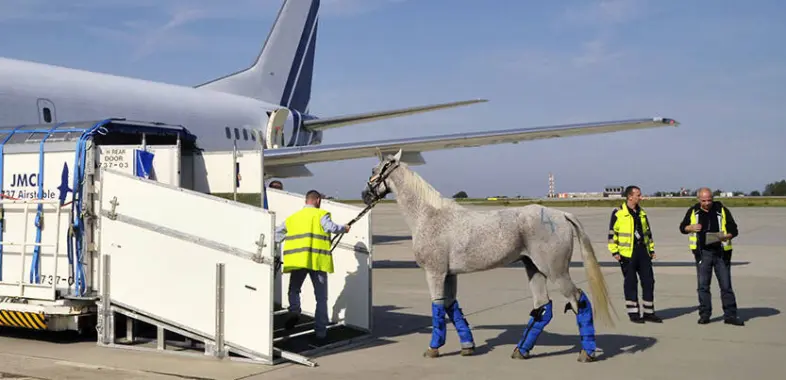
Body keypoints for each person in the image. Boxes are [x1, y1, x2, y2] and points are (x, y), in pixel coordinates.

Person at [275, 190, 350, 343]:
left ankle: (295, 311)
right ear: (316, 200)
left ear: (306, 200)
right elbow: (331, 228)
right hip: (317, 261)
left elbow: (277, 234)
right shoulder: (321, 214)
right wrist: (344, 228)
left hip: (298, 261)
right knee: (321, 298)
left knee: (294, 290)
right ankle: (321, 332)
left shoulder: (293, 218)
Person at [679, 187, 744, 326]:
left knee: (726, 285)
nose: (707, 203)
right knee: (703, 286)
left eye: (709, 200)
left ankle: (730, 315)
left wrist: (725, 236)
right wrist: (690, 228)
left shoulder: (722, 210)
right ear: (698, 199)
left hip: (721, 253)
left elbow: (734, 229)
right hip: (703, 253)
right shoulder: (693, 211)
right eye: (704, 201)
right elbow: (682, 228)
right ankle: (705, 314)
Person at [608, 185, 662, 323]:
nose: (640, 197)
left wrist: (651, 250)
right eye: (638, 195)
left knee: (649, 281)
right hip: (627, 254)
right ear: (630, 196)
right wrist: (614, 251)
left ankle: (649, 312)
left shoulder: (642, 213)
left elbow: (647, 233)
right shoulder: (618, 213)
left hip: (642, 251)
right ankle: (634, 313)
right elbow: (612, 234)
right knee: (631, 283)